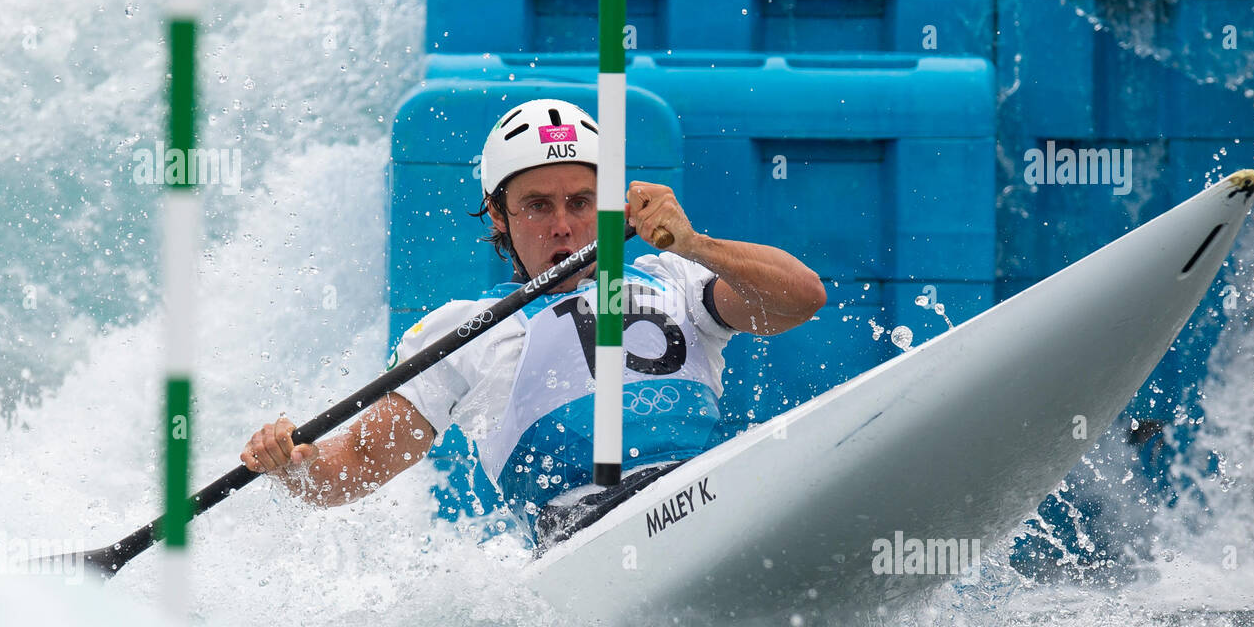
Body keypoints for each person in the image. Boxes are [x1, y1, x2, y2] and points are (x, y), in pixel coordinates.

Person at [241, 98, 825, 542]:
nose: (563, 226)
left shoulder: (674, 278)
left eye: (581, 202)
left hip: (705, 494)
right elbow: (359, 463)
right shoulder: (464, 332)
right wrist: (294, 465)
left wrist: (695, 244)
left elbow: (803, 298)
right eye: (538, 206)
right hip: (588, 535)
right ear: (499, 216)